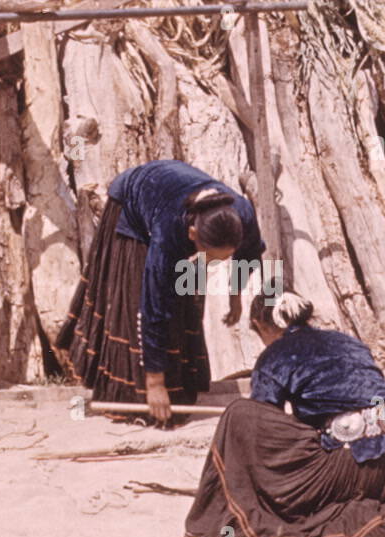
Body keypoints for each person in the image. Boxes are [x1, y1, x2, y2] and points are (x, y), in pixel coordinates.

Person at [184, 292, 385, 537]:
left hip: (344, 471)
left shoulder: (275, 356)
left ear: (262, 324)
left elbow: (260, 429)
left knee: (239, 415)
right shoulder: (348, 342)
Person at [54, 160, 265, 425]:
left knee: (184, 296)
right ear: (192, 234)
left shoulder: (241, 214)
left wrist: (236, 296)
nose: (215, 264)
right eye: (210, 256)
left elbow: (250, 254)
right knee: (136, 303)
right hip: (132, 200)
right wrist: (155, 384)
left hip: (172, 193)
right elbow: (152, 306)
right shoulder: (168, 231)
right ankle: (137, 398)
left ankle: (176, 388)